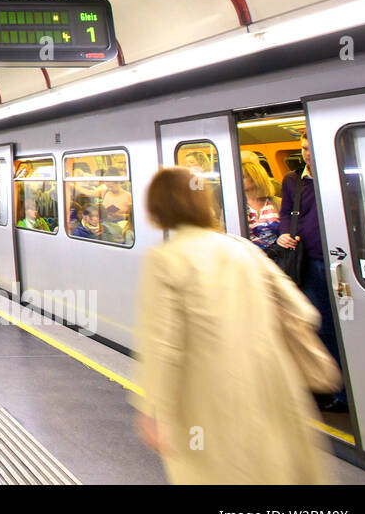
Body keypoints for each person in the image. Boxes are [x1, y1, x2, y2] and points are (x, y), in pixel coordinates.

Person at [132, 167, 331, 483]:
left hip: (209, 394)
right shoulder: (243, 248)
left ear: (157, 209)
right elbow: (304, 312)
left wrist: (153, 409)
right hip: (271, 385)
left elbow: (163, 345)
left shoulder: (165, 259)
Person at [274, 135, 347, 413]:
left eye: (311, 148)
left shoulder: (338, 174)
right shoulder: (293, 180)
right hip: (310, 262)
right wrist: (283, 234)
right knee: (321, 327)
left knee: (344, 329)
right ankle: (334, 391)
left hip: (339, 263)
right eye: (304, 149)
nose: (307, 154)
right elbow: (285, 214)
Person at [242, 158, 281, 252]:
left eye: (242, 177)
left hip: (277, 256)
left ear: (255, 178)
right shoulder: (235, 206)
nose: (237, 179)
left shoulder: (278, 203)